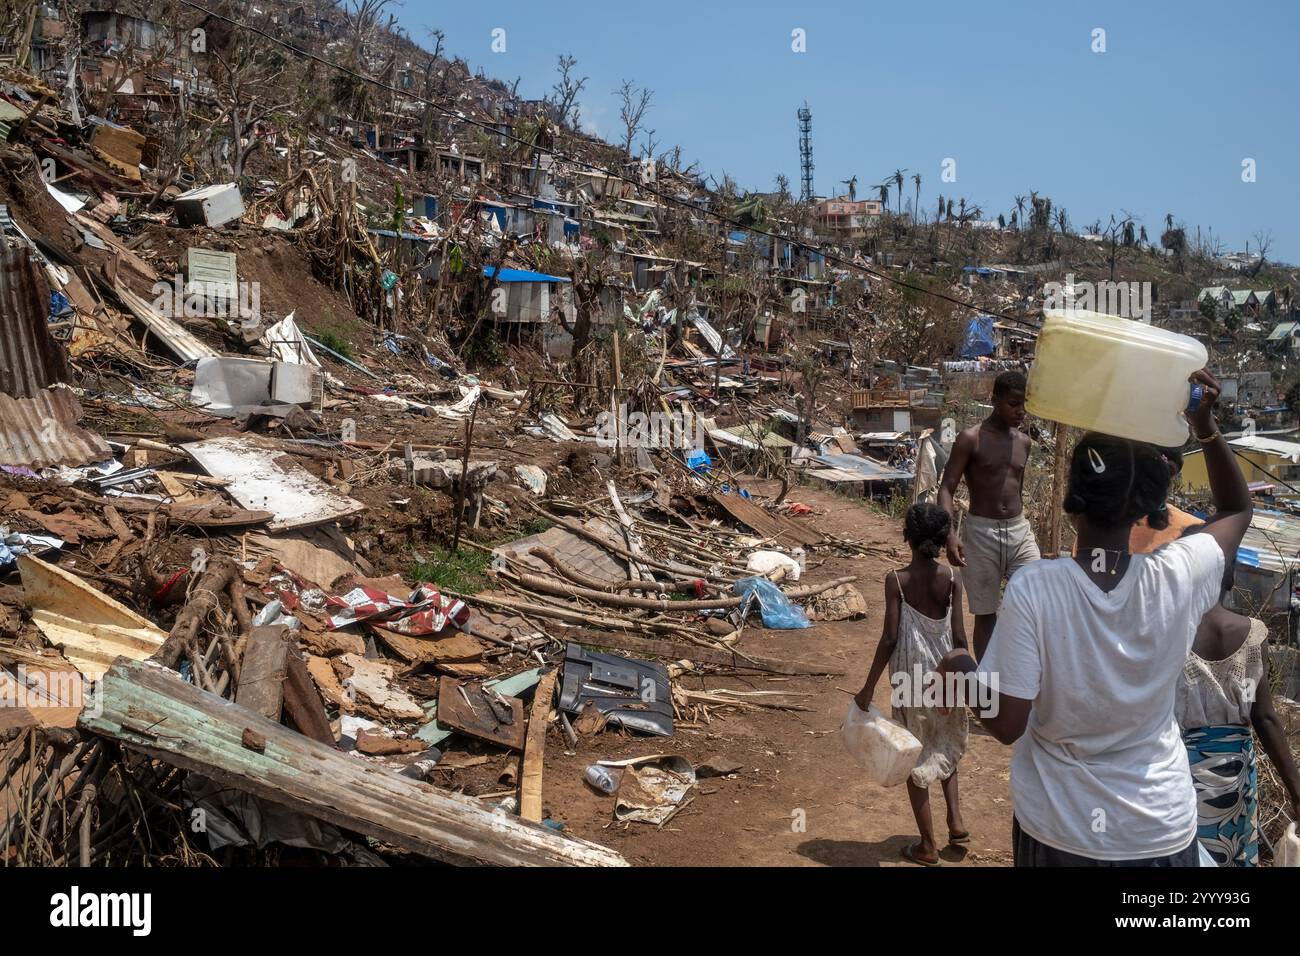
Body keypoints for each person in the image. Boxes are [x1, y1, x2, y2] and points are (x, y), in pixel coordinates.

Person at [938, 370, 1252, 866]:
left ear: (1073, 503)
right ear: (1147, 505)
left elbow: (1007, 724)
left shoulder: (1037, 588)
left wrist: (961, 668)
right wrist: (1205, 425)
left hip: (1062, 830)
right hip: (1160, 828)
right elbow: (1236, 508)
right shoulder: (1181, 571)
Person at [854, 503, 969, 866]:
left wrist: (869, 686)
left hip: (910, 682)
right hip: (947, 678)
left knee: (914, 760)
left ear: (907, 536)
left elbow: (889, 639)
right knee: (945, 746)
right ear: (940, 540)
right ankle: (956, 821)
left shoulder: (897, 581)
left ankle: (928, 845)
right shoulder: (952, 579)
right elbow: (961, 638)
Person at [1175, 566, 1300, 866]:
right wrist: (1296, 789)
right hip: (1238, 771)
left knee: (1189, 854)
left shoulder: (1171, 634)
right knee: (1236, 849)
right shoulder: (1252, 634)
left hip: (1184, 769)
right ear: (1230, 579)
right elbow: (1265, 718)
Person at [937, 370, 1039, 659]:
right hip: (981, 533)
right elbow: (946, 489)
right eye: (1013, 403)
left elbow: (1014, 491)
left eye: (1024, 404)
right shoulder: (971, 439)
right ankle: (987, 684)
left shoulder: (1023, 443)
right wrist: (950, 535)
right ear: (995, 401)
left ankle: (1021, 671)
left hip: (1019, 531)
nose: (1020, 411)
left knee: (1034, 597)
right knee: (985, 613)